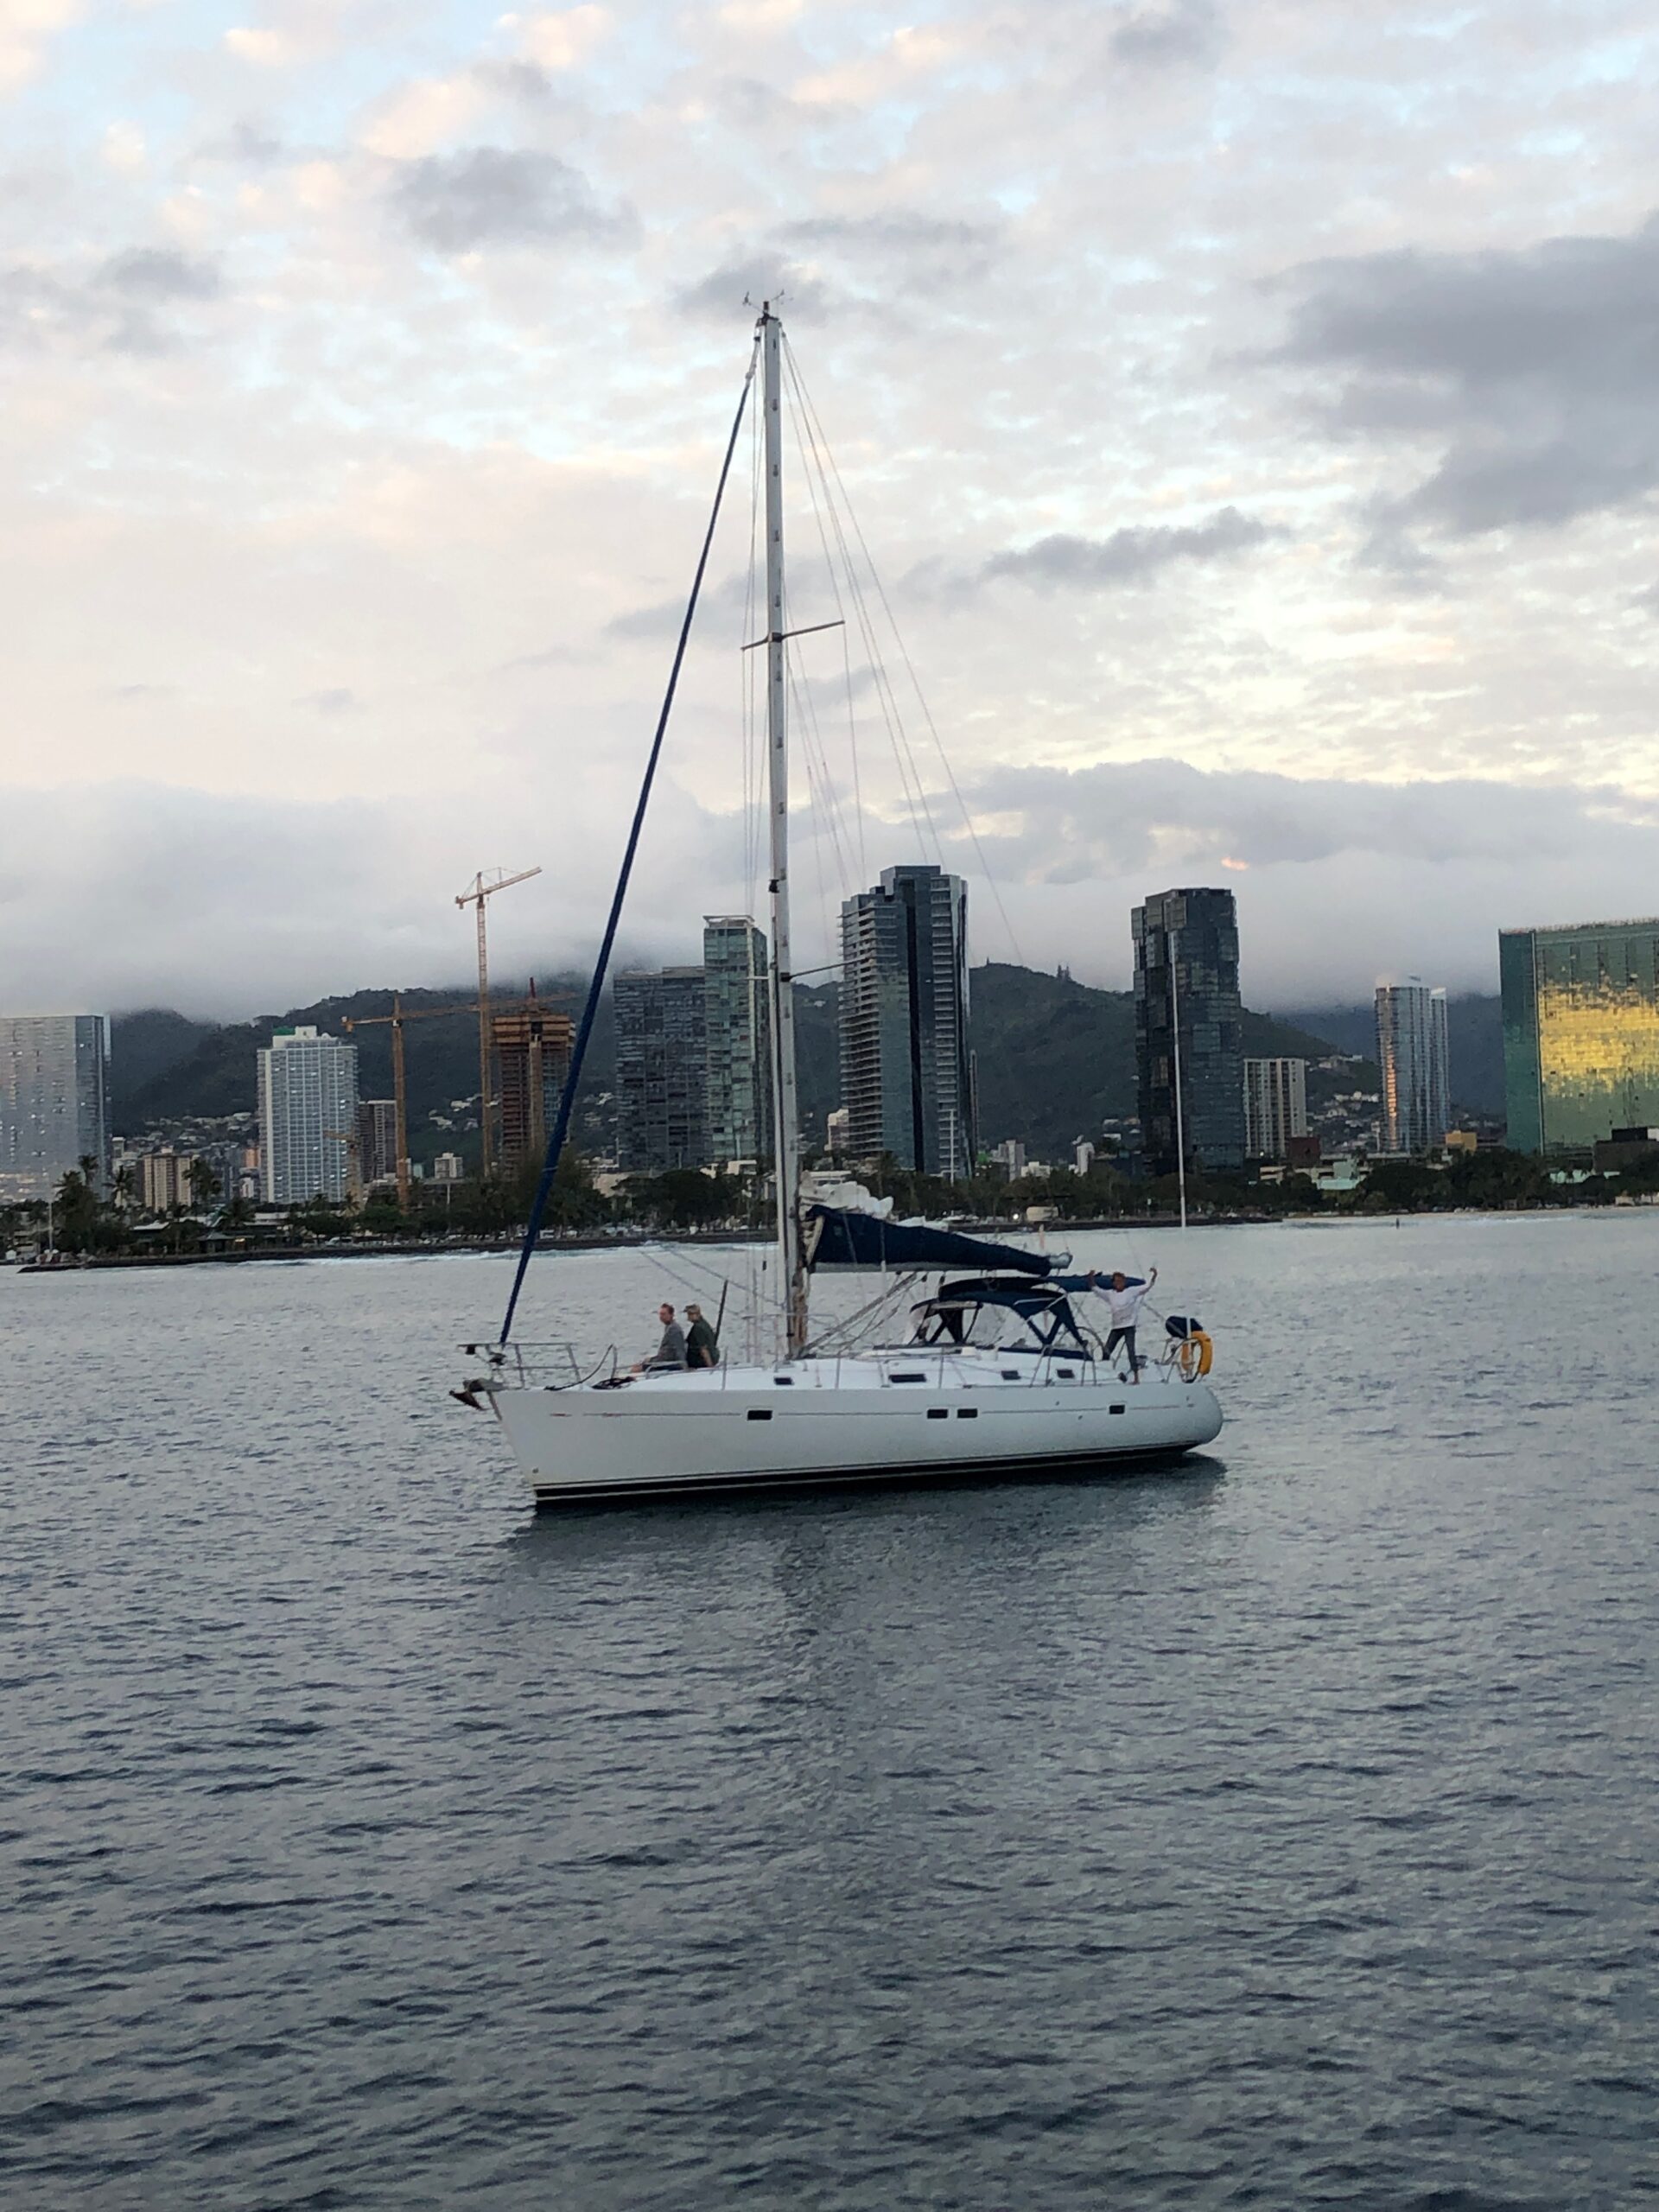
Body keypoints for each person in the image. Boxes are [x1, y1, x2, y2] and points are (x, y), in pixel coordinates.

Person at [1090, 1267, 1156, 1381]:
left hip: (1129, 1326)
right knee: (1107, 1350)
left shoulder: (1131, 1291)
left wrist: (1154, 1275)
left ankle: (1136, 1377)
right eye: (1116, 1281)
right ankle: (1104, 1374)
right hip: (1116, 1328)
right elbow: (1096, 1289)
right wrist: (1090, 1278)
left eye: (1120, 1281)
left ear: (1124, 1282)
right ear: (1113, 1283)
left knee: (1131, 1350)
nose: (1118, 1283)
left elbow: (1147, 1287)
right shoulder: (1110, 1294)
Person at [638, 1302, 687, 1372]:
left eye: (664, 1314)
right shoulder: (669, 1327)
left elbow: (679, 1349)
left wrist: (684, 1367)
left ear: (671, 1315)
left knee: (637, 1369)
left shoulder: (675, 1330)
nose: (661, 1317)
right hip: (664, 1360)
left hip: (672, 1363)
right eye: (660, 1314)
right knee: (640, 1364)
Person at [684, 1302, 719, 1369]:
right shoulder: (704, 1324)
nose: (688, 1317)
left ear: (696, 1314)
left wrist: (710, 1367)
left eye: (690, 1314)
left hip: (700, 1364)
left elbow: (703, 1349)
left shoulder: (698, 1328)